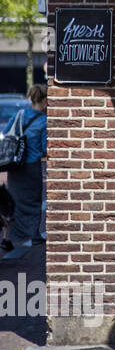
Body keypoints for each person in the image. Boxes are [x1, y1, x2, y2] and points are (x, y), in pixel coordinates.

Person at [2, 84, 46, 256]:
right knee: (34, 201)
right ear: (43, 100)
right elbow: (44, 148)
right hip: (31, 166)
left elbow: (6, 133)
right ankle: (34, 235)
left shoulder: (19, 114)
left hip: (14, 166)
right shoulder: (43, 120)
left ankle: (9, 238)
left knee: (13, 201)